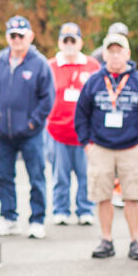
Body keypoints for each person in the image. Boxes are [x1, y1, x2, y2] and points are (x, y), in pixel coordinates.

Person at [74, 32, 138, 261]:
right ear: (104, 54)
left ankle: (135, 241)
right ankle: (106, 239)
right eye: (110, 51)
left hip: (131, 147)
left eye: (119, 51)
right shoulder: (94, 80)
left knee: (133, 196)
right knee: (103, 195)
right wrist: (87, 143)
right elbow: (81, 113)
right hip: (101, 146)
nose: (115, 56)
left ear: (127, 54)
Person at [0, 16, 55, 239]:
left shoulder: (39, 63)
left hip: (31, 134)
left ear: (30, 36)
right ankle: (9, 218)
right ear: (7, 37)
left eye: (20, 35)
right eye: (12, 35)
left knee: (36, 177)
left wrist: (33, 122)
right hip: (4, 133)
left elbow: (48, 99)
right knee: (4, 177)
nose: (16, 39)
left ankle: (37, 220)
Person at [47, 22, 99, 226]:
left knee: (85, 174)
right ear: (60, 42)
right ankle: (60, 209)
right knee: (60, 175)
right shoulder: (50, 66)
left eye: (73, 40)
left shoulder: (92, 65)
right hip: (57, 129)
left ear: (80, 43)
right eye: (65, 40)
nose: (69, 44)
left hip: (84, 131)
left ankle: (85, 209)